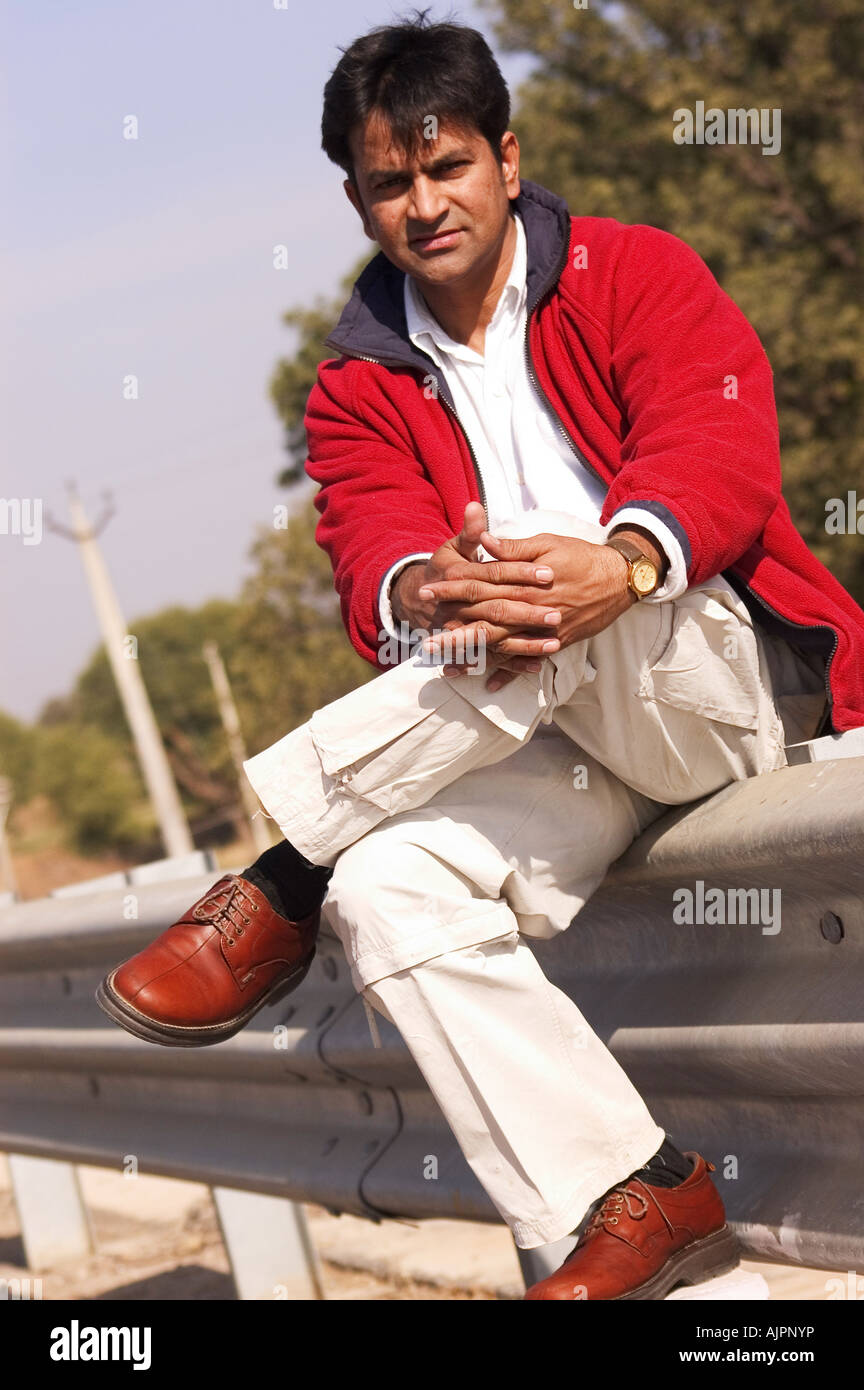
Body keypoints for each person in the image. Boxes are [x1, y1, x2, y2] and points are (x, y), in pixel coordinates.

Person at [96, 13, 864, 1300]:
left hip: (705, 684)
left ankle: (285, 865)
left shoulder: (636, 271)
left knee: (542, 589)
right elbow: (372, 553)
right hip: (543, 735)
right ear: (355, 200)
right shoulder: (356, 381)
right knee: (389, 889)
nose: (423, 202)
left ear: (507, 159)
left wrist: (616, 562)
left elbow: (716, 455)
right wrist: (425, 584)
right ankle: (646, 1201)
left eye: (445, 166)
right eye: (389, 182)